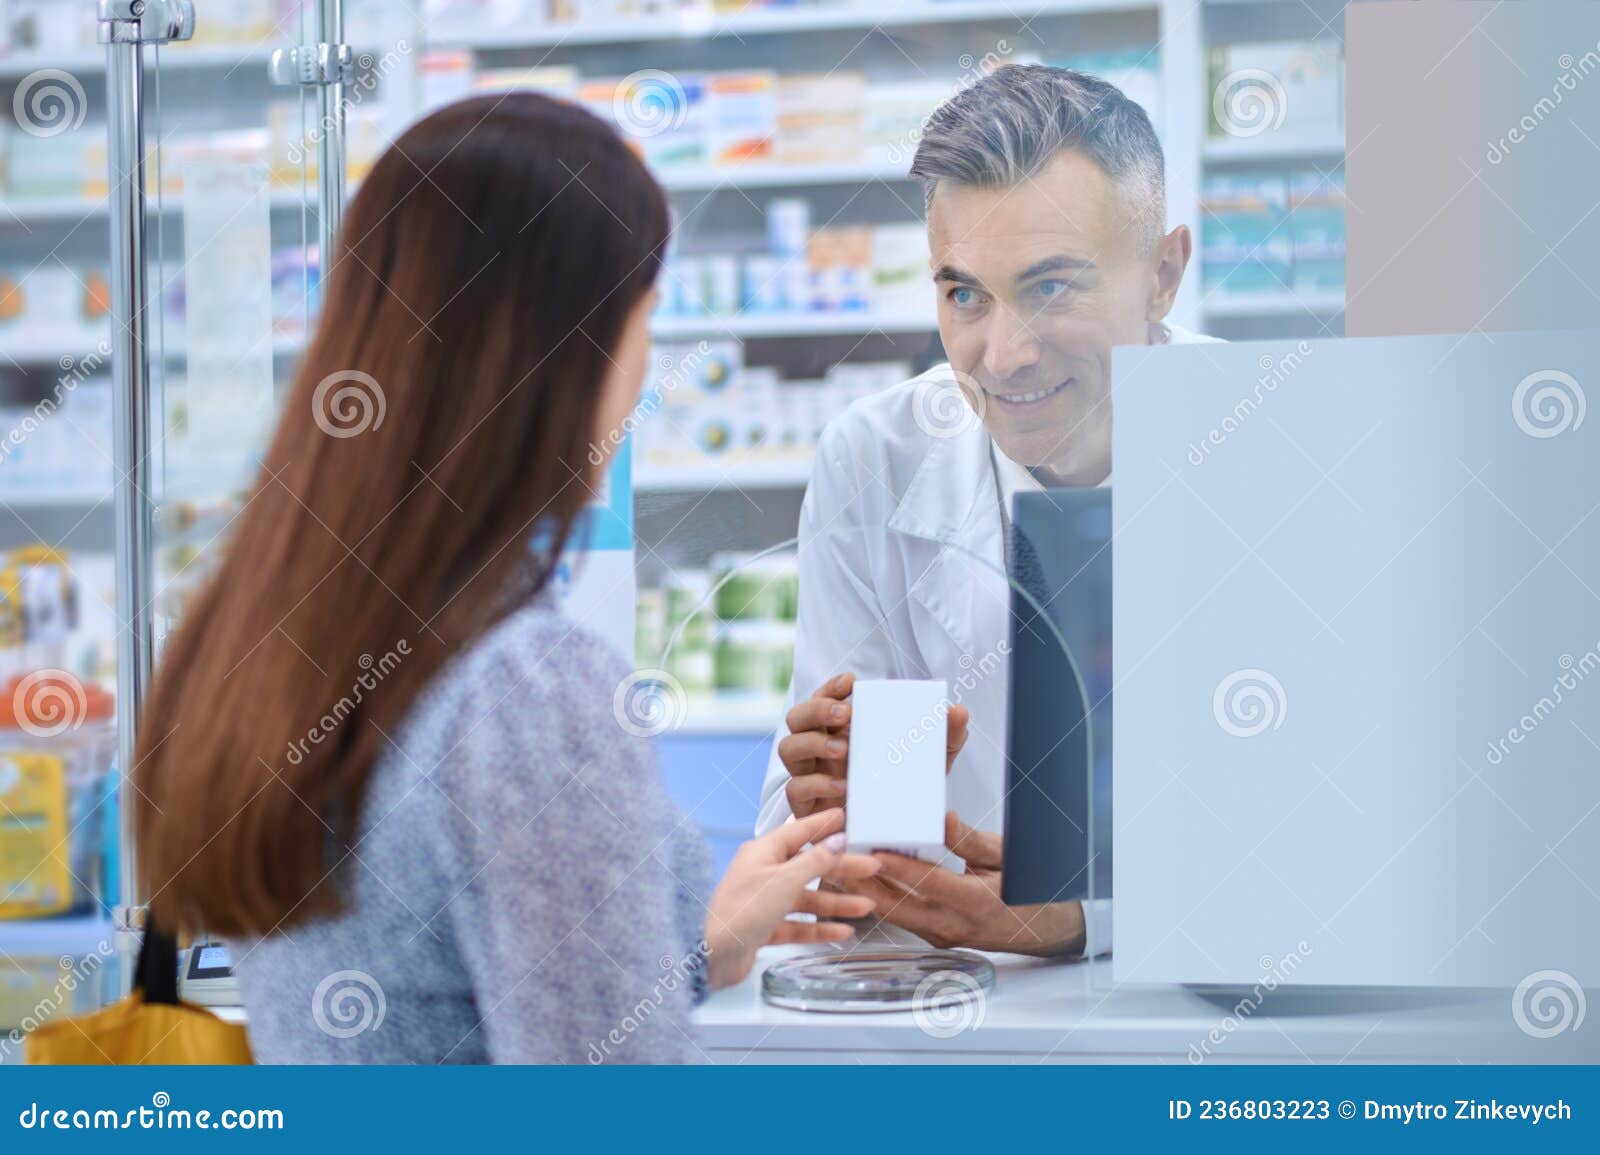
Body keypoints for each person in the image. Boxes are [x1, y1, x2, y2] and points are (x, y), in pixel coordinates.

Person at [130, 93, 884, 1064]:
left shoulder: (271, 642)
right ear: (573, 348)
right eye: (644, 316)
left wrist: (693, 945)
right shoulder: (524, 694)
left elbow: (439, 994)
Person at [758, 65, 1220, 955]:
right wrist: (836, 807)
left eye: (1053, 287)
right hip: (961, 1010)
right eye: (964, 293)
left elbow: (1340, 846)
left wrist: (1086, 919)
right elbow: (816, 859)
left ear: (1163, 275)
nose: (1002, 356)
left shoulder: (1272, 443)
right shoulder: (878, 459)